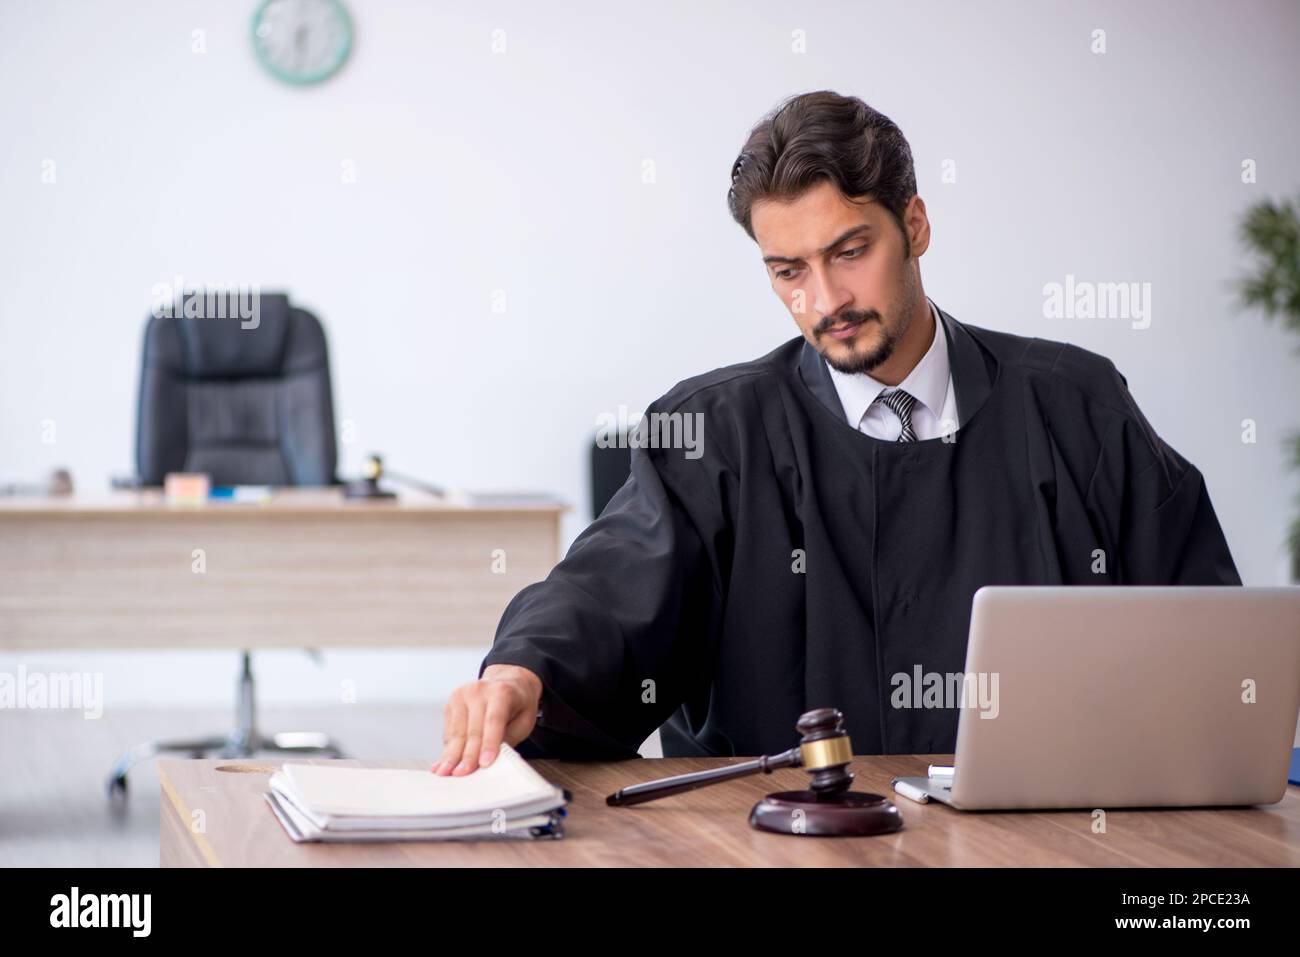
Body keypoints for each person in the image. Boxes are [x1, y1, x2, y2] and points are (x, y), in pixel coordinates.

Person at [434, 90, 1240, 777]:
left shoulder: (1077, 405)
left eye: (850, 251)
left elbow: (1210, 639)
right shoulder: (715, 431)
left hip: (1048, 841)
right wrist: (525, 668)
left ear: (915, 225)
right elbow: (609, 590)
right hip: (765, 840)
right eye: (789, 271)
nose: (826, 300)